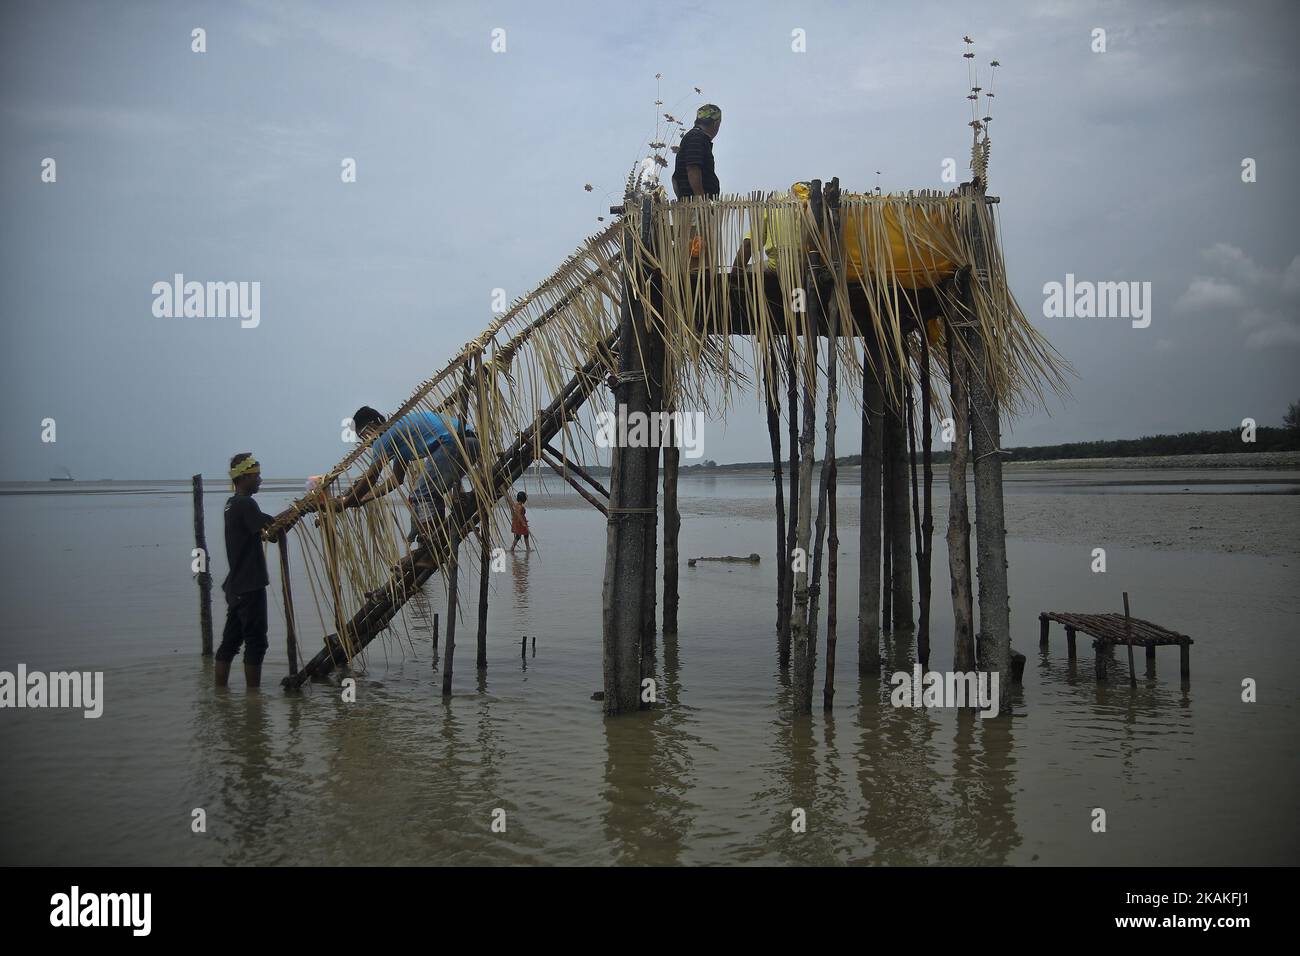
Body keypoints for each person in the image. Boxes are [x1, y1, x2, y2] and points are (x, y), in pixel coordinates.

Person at [323, 406, 481, 546]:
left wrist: (346, 503)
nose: (367, 443)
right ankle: (433, 540)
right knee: (425, 493)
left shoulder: (384, 436)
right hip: (472, 443)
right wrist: (363, 499)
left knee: (423, 493)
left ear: (372, 426)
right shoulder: (400, 437)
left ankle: (432, 545)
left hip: (455, 444)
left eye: (363, 436)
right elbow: (395, 480)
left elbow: (371, 477)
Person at [216, 453, 276, 688]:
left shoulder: (232, 504)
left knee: (230, 642)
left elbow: (264, 523)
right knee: (256, 641)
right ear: (245, 477)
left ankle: (219, 692)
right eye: (257, 475)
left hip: (236, 585)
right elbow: (270, 533)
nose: (260, 479)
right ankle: (254, 697)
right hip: (250, 585)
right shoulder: (246, 503)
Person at [731, 181, 812, 275]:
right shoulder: (816, 208)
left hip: (775, 267)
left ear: (792, 192)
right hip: (808, 267)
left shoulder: (773, 207)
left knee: (746, 271)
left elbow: (748, 244)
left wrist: (734, 276)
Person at [672, 104, 723, 200]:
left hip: (690, 205)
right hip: (697, 208)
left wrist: (682, 199)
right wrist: (701, 201)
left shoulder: (694, 137)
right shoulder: (696, 137)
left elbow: (675, 178)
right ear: (716, 124)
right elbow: (693, 168)